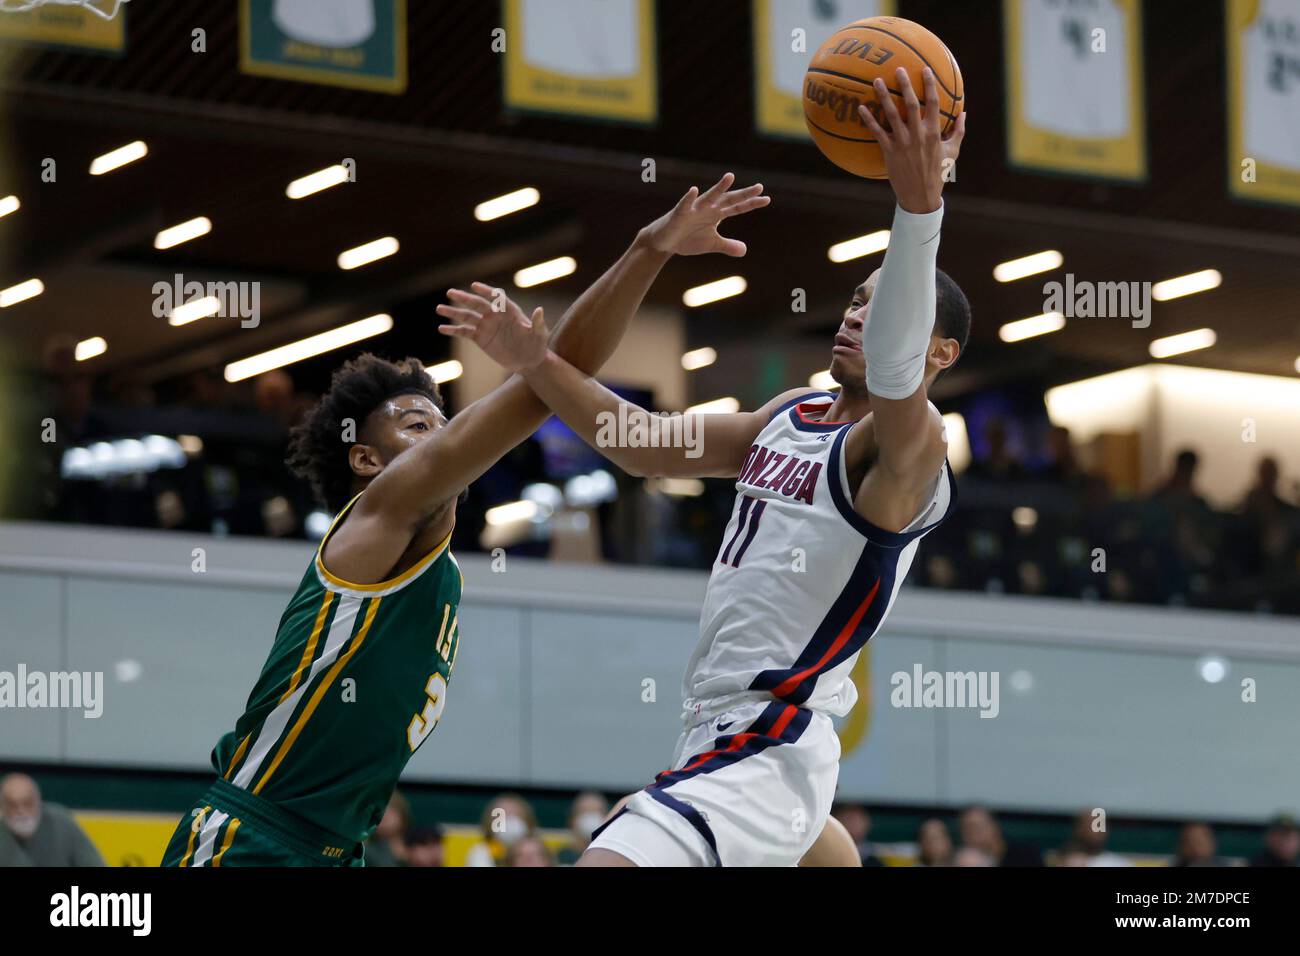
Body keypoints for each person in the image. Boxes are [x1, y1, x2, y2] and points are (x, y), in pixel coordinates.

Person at [158, 172, 770, 867]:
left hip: (332, 850)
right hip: (252, 839)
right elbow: (553, 379)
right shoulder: (382, 510)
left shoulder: (433, 561)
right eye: (418, 423)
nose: (444, 434)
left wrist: (561, 347)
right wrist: (646, 249)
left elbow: (552, 379)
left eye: (443, 420)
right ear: (365, 458)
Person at [443, 67, 968, 867]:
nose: (859, 314)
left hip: (768, 738)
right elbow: (642, 442)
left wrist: (917, 209)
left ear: (940, 351)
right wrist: (536, 362)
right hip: (722, 734)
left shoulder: (910, 450)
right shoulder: (789, 416)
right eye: (855, 300)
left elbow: (897, 373)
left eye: (880, 303)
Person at [0, 773, 105, 867]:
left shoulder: (62, 824)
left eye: (28, 803)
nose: (21, 811)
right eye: (12, 805)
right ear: (2, 807)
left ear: (38, 802)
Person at [464, 793, 539, 867]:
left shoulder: (537, 852)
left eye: (515, 815)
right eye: (501, 816)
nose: (509, 822)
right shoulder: (480, 853)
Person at [959, 805, 1042, 867]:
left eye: (977, 827)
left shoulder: (1026, 855)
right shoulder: (963, 860)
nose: (973, 834)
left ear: (995, 827)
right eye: (966, 829)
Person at [556, 791, 609, 865]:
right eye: (584, 811)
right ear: (572, 820)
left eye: (597, 812)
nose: (591, 817)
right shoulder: (562, 857)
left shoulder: (613, 857)